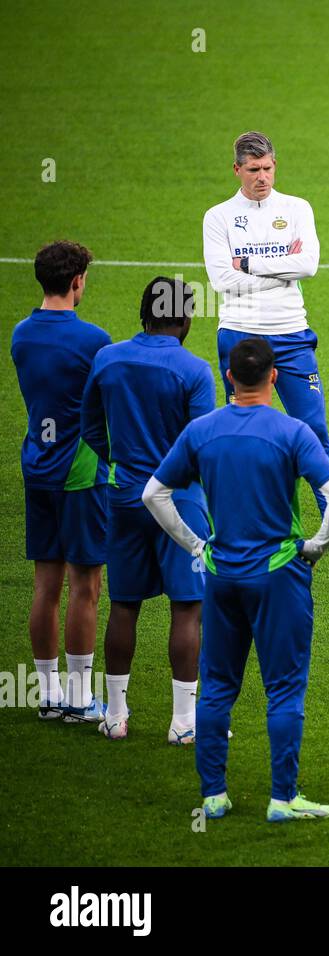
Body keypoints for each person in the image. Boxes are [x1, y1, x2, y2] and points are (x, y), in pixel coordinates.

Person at [143, 338, 329, 822]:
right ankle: (283, 798)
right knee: (283, 689)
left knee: (217, 687)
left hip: (221, 576)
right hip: (279, 576)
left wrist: (196, 545)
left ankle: (213, 796)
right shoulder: (293, 431)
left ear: (231, 379)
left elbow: (155, 494)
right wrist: (318, 545)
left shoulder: (202, 431)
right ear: (275, 378)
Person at [202, 130, 329, 553]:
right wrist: (280, 266)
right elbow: (222, 280)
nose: (261, 177)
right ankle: (239, 520)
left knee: (315, 427)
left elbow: (307, 265)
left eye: (268, 168)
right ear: (237, 170)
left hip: (291, 332)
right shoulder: (218, 217)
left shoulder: (296, 208)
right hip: (240, 332)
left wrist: (248, 261)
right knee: (242, 429)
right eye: (252, 170)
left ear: (275, 165)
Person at [80, 277, 215, 743]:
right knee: (187, 607)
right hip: (179, 503)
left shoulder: (107, 358)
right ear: (184, 318)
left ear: (144, 312)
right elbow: (202, 445)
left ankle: (116, 717)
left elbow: (90, 427)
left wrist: (119, 463)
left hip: (124, 496)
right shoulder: (195, 370)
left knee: (123, 605)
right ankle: (183, 723)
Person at [10, 241, 111, 723]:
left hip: (37, 466)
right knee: (86, 586)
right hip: (82, 473)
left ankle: (47, 695)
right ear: (76, 282)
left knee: (45, 584)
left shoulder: (20, 336)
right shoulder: (94, 341)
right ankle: (79, 698)